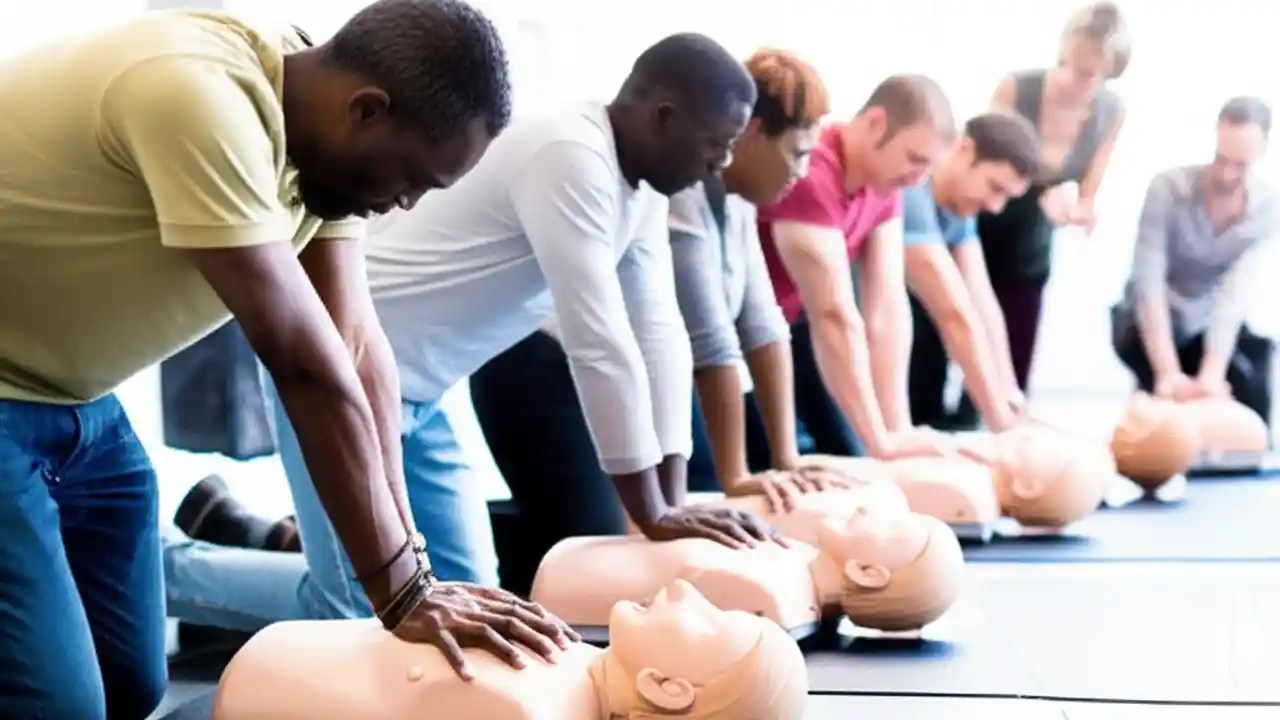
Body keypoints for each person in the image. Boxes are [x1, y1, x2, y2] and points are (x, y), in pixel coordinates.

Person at [0, 0, 575, 716]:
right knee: (59, 705)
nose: (405, 204)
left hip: (82, 404)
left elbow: (357, 349)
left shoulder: (317, 127)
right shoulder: (195, 91)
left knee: (132, 683)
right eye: (415, 179)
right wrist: (400, 595)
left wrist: (415, 570)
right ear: (367, 111)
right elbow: (305, 366)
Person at [460, 34, 779, 598]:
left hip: (424, 384)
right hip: (510, 363)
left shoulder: (645, 184)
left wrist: (672, 506)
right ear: (664, 117)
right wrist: (652, 512)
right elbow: (600, 339)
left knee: (471, 583)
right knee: (587, 556)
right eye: (716, 144)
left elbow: (659, 331)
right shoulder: (571, 154)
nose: (720, 166)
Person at [669, 47, 846, 507]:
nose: (802, 173)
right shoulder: (681, 194)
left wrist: (787, 456)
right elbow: (710, 340)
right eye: (796, 154)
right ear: (752, 133)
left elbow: (763, 326)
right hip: (555, 371)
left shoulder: (740, 201)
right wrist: (736, 477)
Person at [752, 74, 957, 459]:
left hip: (790, 330)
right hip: (741, 340)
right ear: (875, 122)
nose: (918, 179)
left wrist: (897, 430)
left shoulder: (886, 187)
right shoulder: (812, 172)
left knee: (856, 452)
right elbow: (833, 313)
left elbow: (887, 308)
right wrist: (881, 442)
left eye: (928, 168)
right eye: (914, 159)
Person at [963, 1, 1129, 424]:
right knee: (959, 330)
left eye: (1092, 74)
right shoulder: (1017, 88)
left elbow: (1086, 197)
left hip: (1032, 243)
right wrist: (1042, 191)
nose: (1077, 80)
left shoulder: (1111, 111)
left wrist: (1075, 208)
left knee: (1015, 347)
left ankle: (1007, 429)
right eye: (1071, 66)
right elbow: (983, 165)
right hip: (980, 223)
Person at [1112, 96, 1279, 426]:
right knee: (1163, 413)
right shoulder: (1167, 189)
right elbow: (1149, 282)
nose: (1228, 173)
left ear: (1262, 151)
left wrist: (1211, 377)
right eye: (1221, 159)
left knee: (1250, 382)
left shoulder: (1266, 208)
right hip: (1149, 319)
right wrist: (1167, 372)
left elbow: (1234, 294)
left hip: (1207, 319)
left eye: (1241, 164)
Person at [904, 112, 1042, 431]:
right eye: (995, 187)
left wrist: (1010, 396)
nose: (996, 207)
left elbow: (982, 303)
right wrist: (1003, 426)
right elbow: (955, 314)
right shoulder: (913, 190)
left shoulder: (960, 207)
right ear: (965, 150)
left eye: (1007, 196)